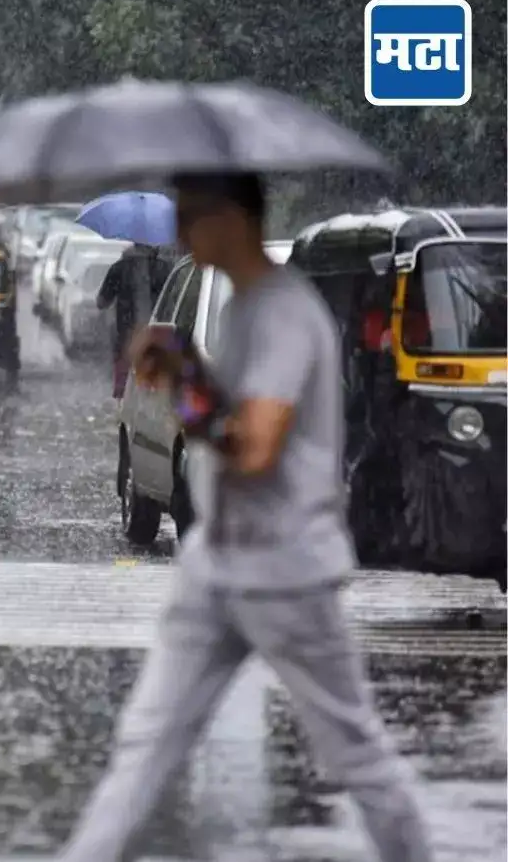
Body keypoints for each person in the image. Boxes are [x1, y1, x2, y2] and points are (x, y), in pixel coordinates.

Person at [58, 172, 432, 862]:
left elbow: (252, 446)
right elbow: (223, 426)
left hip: (284, 565)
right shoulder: (240, 312)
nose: (184, 234)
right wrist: (186, 372)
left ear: (234, 220)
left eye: (195, 218)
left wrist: (182, 381)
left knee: (355, 752)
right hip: (215, 562)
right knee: (146, 744)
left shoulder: (286, 315)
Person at [96, 242, 177, 400]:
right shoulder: (166, 270)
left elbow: (101, 302)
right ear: (155, 246)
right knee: (154, 387)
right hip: (158, 335)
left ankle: (124, 414)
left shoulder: (119, 268)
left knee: (124, 385)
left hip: (125, 336)